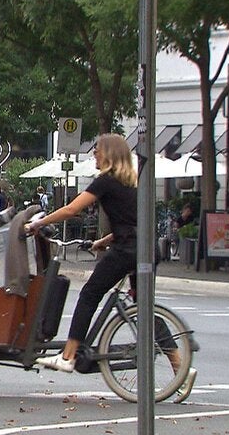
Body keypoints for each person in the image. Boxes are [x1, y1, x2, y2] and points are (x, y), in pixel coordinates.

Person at [26, 133, 195, 393]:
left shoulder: (105, 181)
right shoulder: (131, 183)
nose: (94, 155)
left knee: (90, 294)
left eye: (97, 151)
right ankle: (180, 367)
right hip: (145, 249)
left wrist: (38, 223)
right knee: (144, 307)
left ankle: (68, 356)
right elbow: (133, 221)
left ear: (108, 154)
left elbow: (72, 210)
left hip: (127, 251)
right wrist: (102, 240)